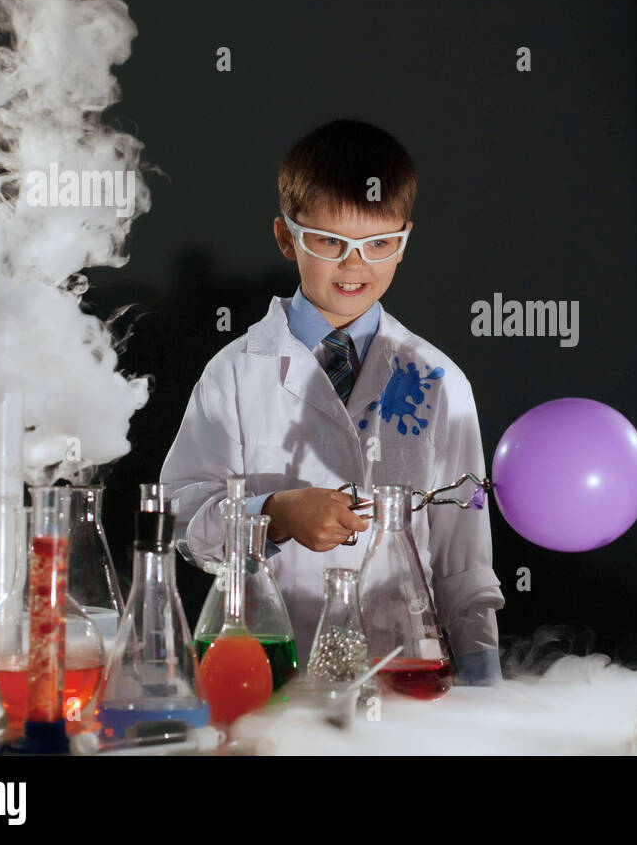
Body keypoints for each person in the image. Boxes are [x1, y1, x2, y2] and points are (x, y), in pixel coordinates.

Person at [160, 119, 504, 684]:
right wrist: (272, 514)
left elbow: (464, 564)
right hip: (271, 673)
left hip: (407, 675)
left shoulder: (440, 382)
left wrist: (482, 688)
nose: (355, 264)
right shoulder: (235, 374)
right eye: (328, 241)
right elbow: (180, 514)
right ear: (285, 236)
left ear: (404, 242)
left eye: (379, 244)